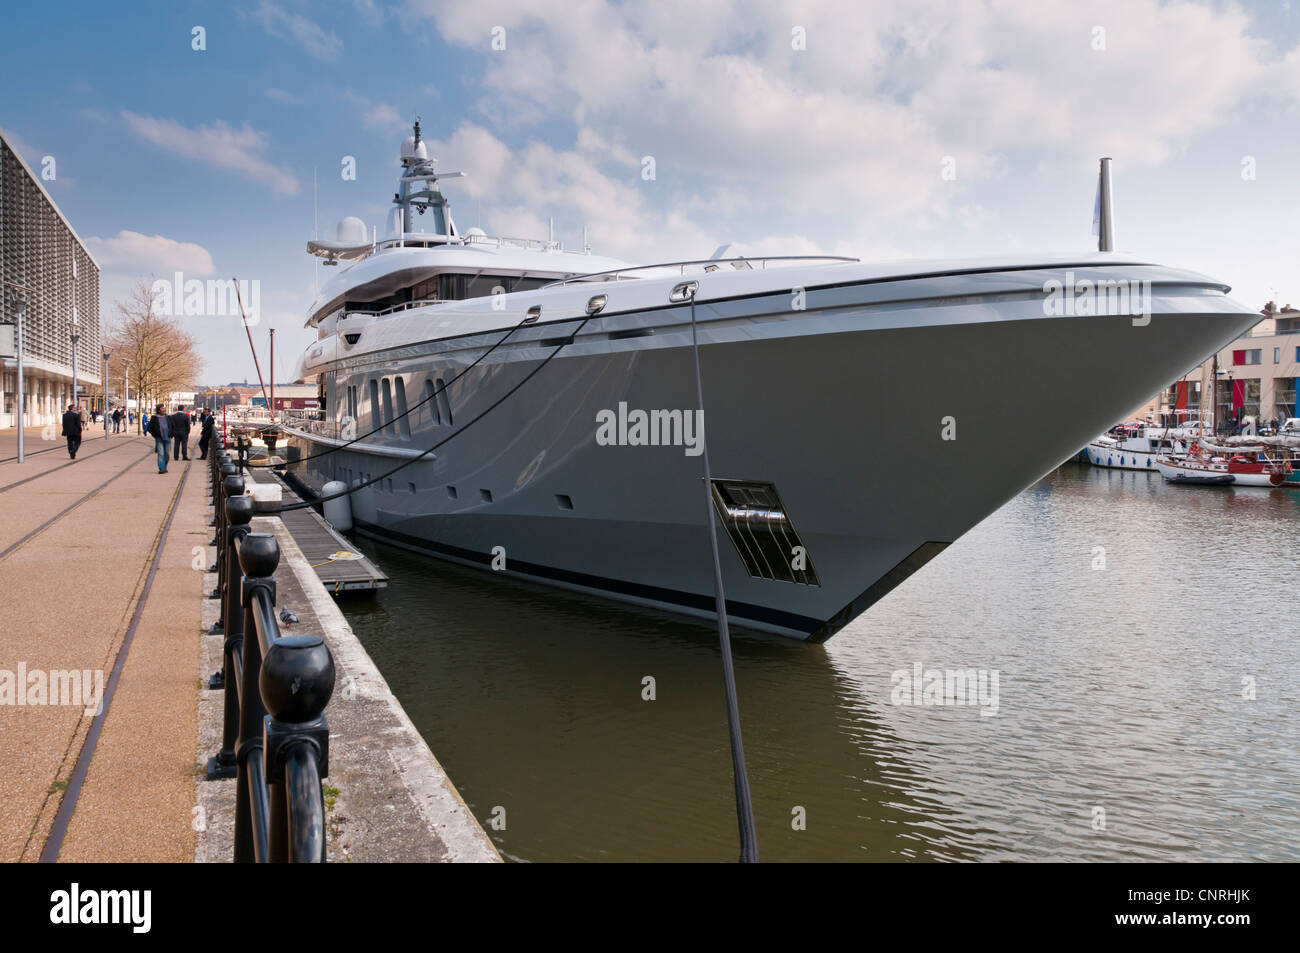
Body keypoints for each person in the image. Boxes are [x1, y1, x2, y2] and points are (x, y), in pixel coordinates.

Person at [145, 403, 172, 474]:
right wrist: (155, 435)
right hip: (159, 438)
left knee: (167, 454)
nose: (164, 409)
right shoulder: (154, 418)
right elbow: (150, 428)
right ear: (158, 410)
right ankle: (161, 468)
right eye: (162, 408)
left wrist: (171, 434)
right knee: (161, 454)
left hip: (168, 438)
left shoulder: (168, 417)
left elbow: (172, 426)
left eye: (164, 408)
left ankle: (165, 466)